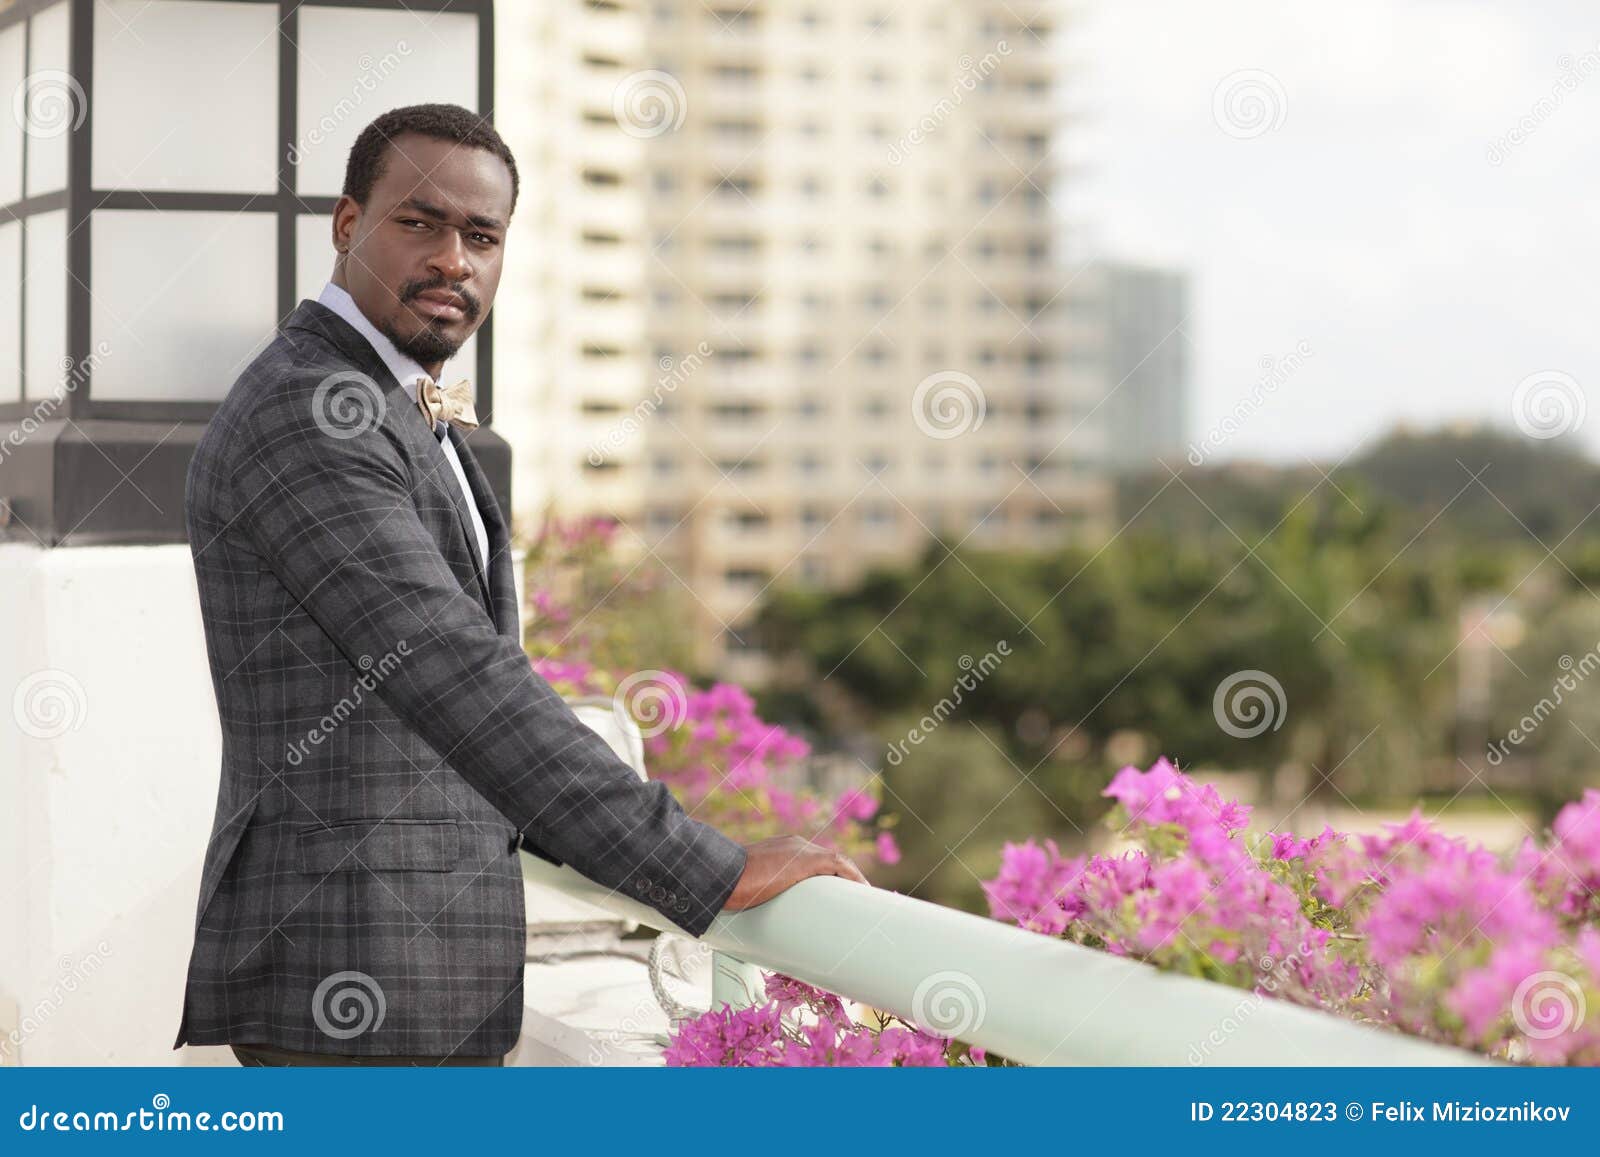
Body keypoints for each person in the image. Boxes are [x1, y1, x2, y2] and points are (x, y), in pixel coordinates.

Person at [175, 103, 867, 1067]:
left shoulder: (395, 403)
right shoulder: (312, 410)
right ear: (347, 225)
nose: (454, 258)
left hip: (424, 970)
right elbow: (454, 671)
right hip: (352, 970)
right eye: (419, 221)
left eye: (482, 235)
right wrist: (708, 864)